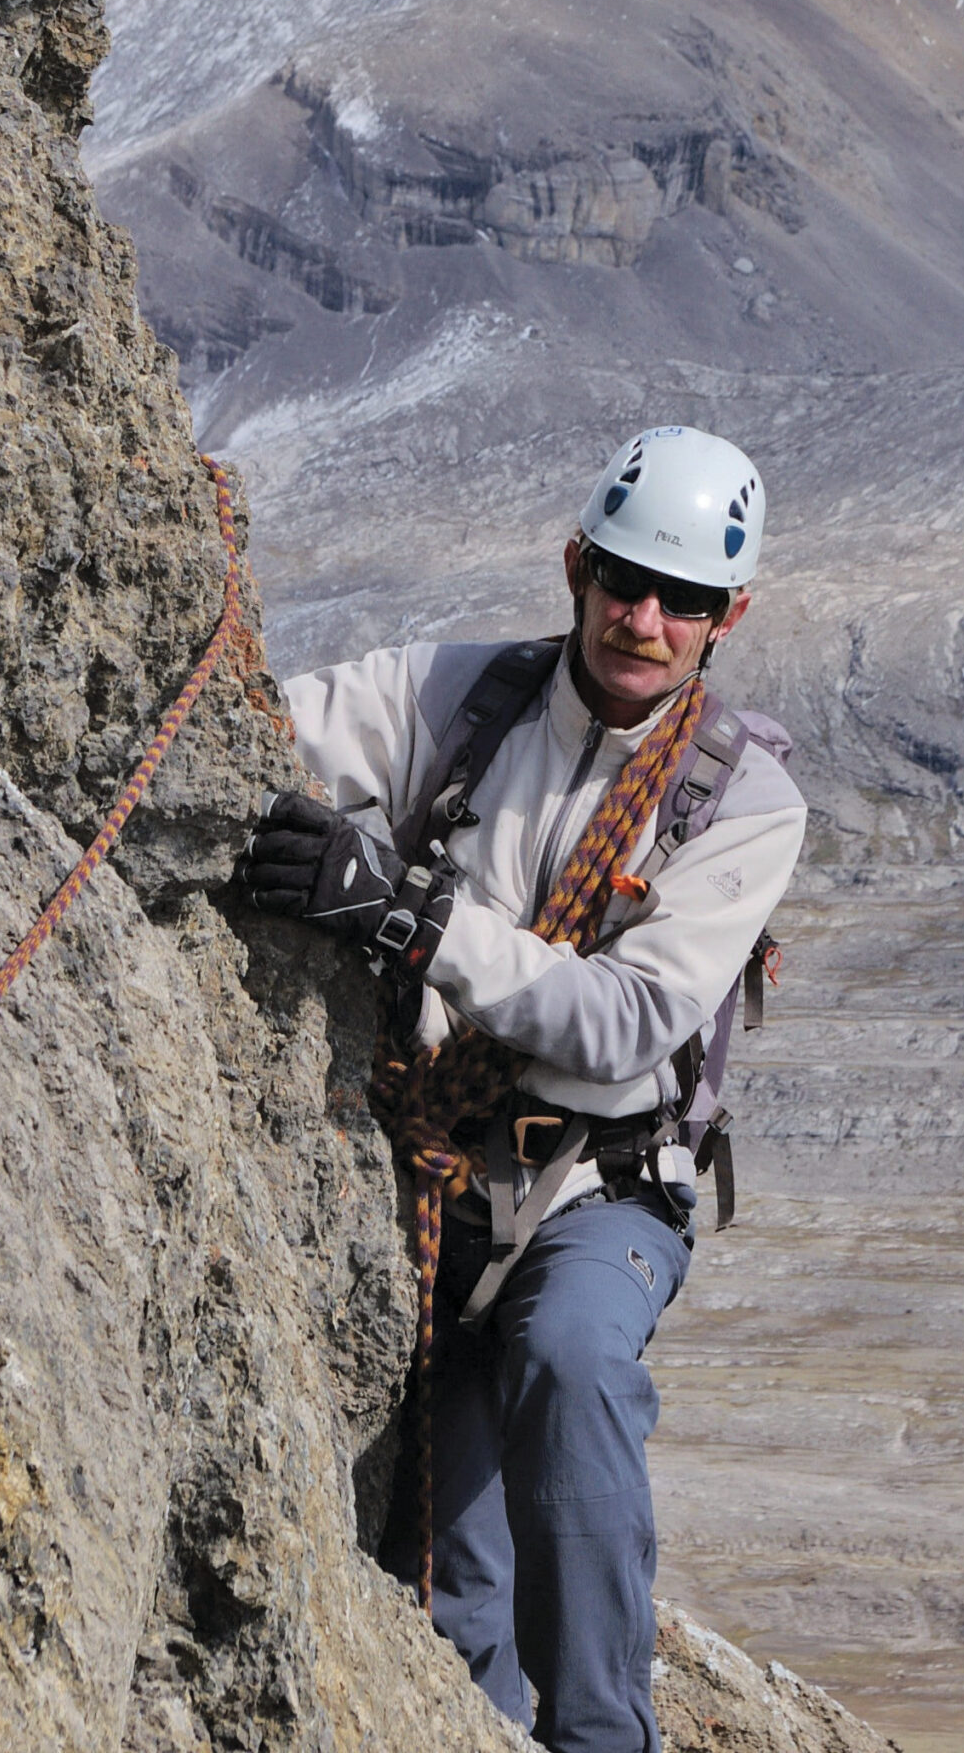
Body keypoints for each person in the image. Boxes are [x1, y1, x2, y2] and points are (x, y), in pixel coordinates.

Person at [240, 425, 805, 1753]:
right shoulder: (458, 699)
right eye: (622, 580)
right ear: (574, 566)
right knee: (453, 1602)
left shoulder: (743, 804)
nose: (645, 620)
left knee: (574, 1361)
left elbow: (624, 1021)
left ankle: (607, 1739)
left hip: (595, 1192)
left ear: (732, 617)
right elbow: (261, 728)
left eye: (685, 601)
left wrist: (405, 919)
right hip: (434, 1180)